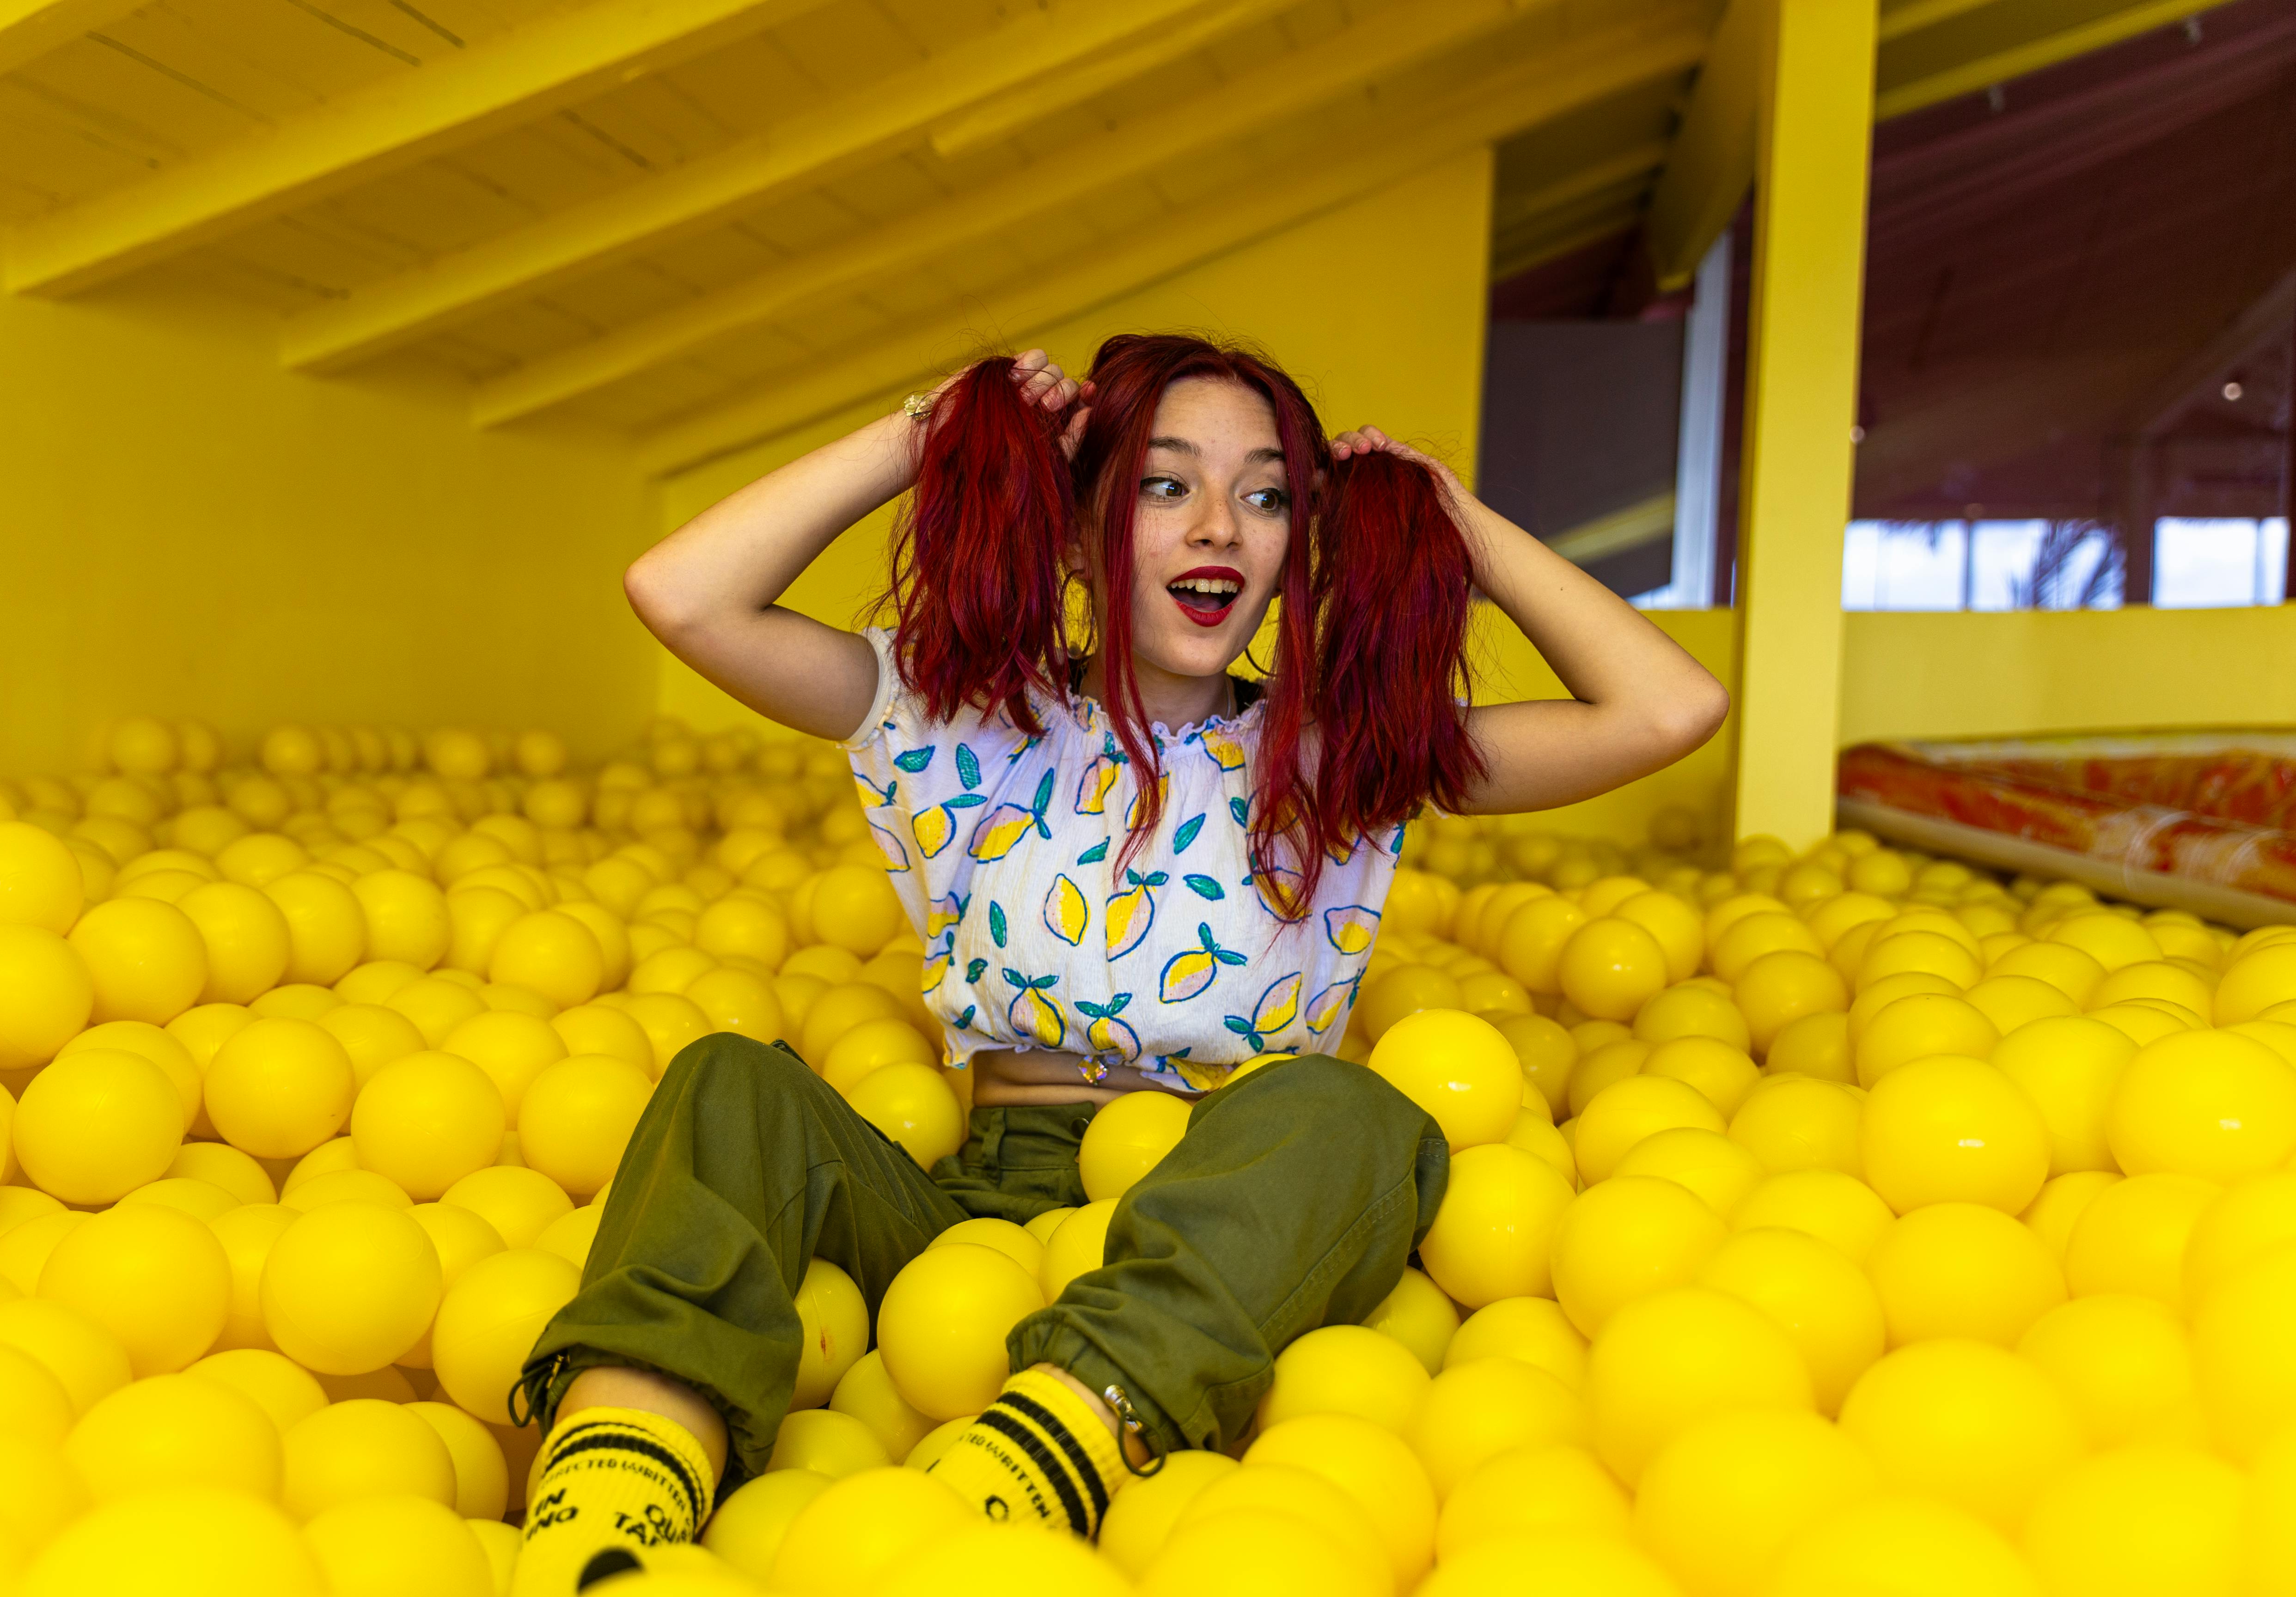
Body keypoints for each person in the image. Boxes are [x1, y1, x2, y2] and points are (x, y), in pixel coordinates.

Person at [507, 335, 1727, 1592]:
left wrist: (1450, 518)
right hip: (976, 1219)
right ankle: (616, 1495)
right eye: (1163, 484)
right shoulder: (963, 720)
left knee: (1350, 1113)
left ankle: (1016, 1470)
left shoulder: (1339, 756)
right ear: (1082, 535)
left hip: (1223, 1217)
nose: (1220, 526)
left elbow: (1667, 709)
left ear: (1295, 553)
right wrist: (928, 436)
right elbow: (681, 595)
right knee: (729, 1087)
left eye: (1266, 497)